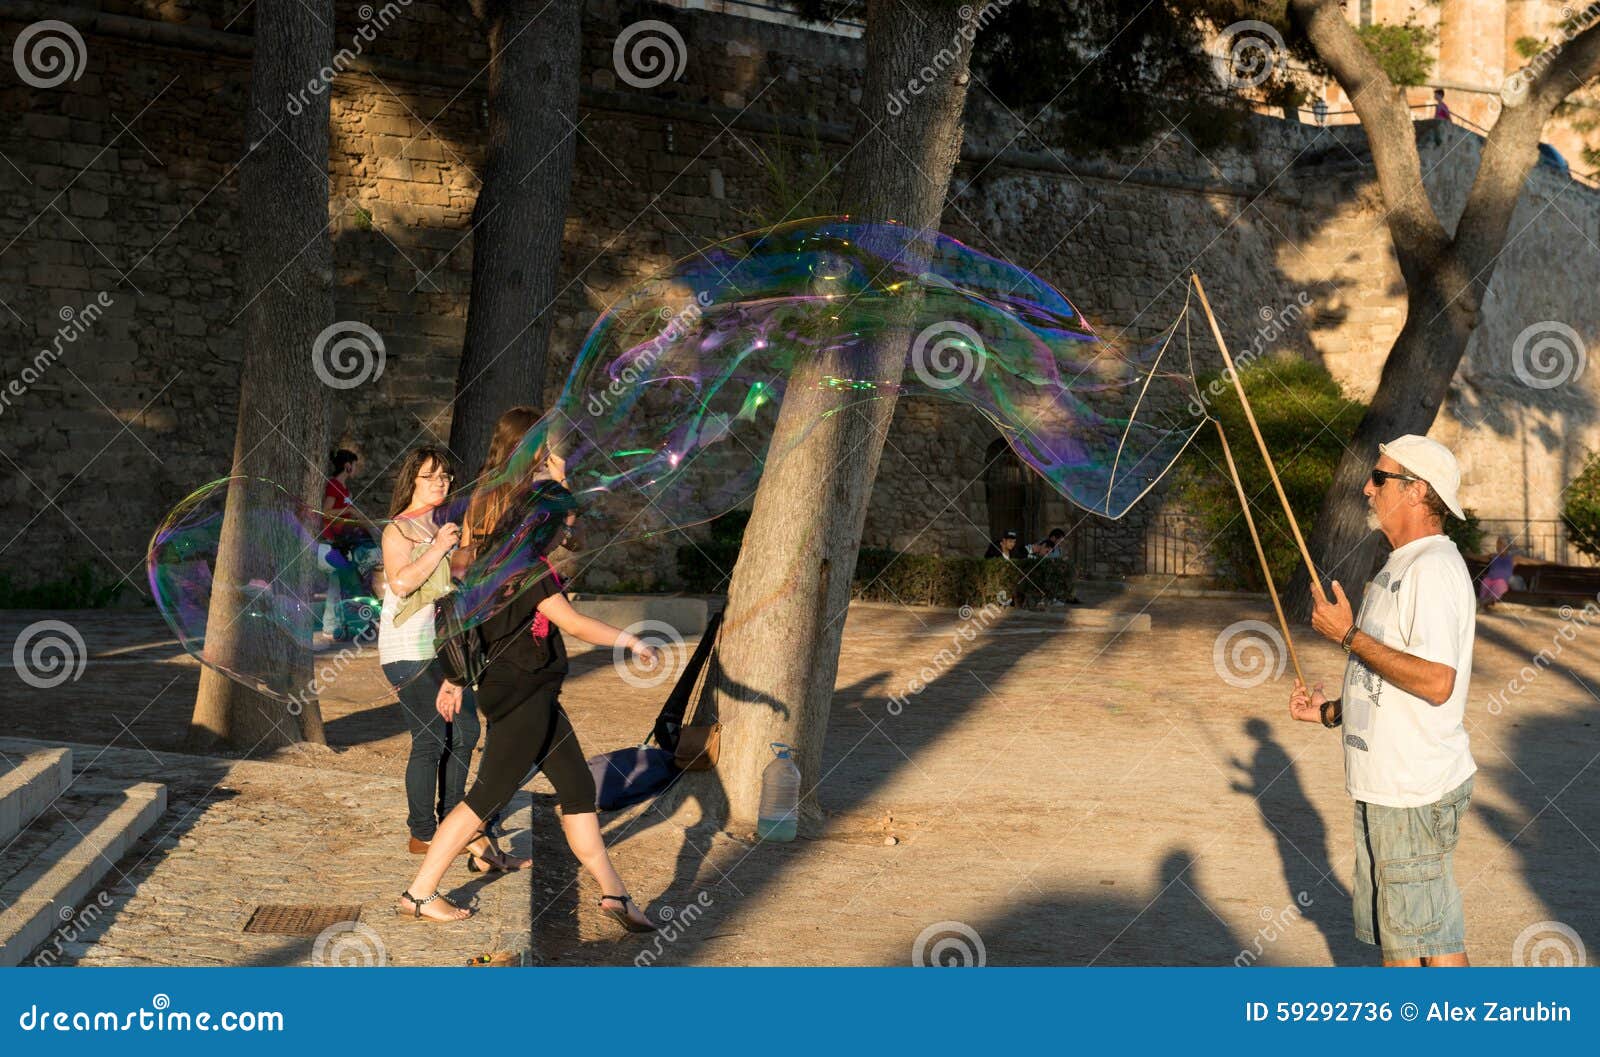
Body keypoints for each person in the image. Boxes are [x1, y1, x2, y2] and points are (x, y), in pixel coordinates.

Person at [397, 481, 661, 929]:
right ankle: (420, 894)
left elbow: (469, 628)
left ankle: (614, 893)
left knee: (577, 789)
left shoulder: (491, 564)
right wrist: (631, 640)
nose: (566, 538)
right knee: (485, 796)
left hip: (526, 693)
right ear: (544, 525)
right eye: (563, 528)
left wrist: (456, 679)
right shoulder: (531, 571)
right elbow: (574, 623)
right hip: (523, 696)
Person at [1288, 434, 1477, 967]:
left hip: (1413, 789)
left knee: (1431, 944)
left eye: (1381, 477)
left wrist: (1347, 636)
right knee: (1404, 942)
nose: (1367, 487)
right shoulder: (1398, 564)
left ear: (1417, 491)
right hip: (1387, 787)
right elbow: (1387, 676)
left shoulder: (1433, 569)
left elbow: (1437, 682)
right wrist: (1327, 712)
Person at [379, 447, 526, 873]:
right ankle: (422, 833)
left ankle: (454, 823)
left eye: (445, 476)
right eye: (430, 477)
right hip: (406, 649)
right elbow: (402, 584)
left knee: (464, 730)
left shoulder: (443, 524)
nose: (440, 483)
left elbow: (455, 586)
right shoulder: (399, 530)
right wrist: (437, 548)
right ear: (412, 481)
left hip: (442, 647)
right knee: (430, 739)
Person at [315, 449, 380, 647]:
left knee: (338, 583)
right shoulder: (334, 485)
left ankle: (332, 626)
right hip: (335, 541)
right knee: (343, 581)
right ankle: (339, 625)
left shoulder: (345, 489)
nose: (356, 468)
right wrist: (349, 510)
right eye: (354, 464)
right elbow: (326, 512)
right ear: (347, 465)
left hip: (347, 540)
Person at [1477, 535, 1516, 608]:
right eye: (1498, 544)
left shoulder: (1513, 558)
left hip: (1501, 582)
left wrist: (1544, 562)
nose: (1498, 546)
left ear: (1507, 546)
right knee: (1485, 581)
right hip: (1489, 580)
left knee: (1499, 584)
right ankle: (1481, 603)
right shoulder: (1492, 556)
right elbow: (1478, 557)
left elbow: (1531, 561)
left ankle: (1480, 604)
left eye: (1501, 544)